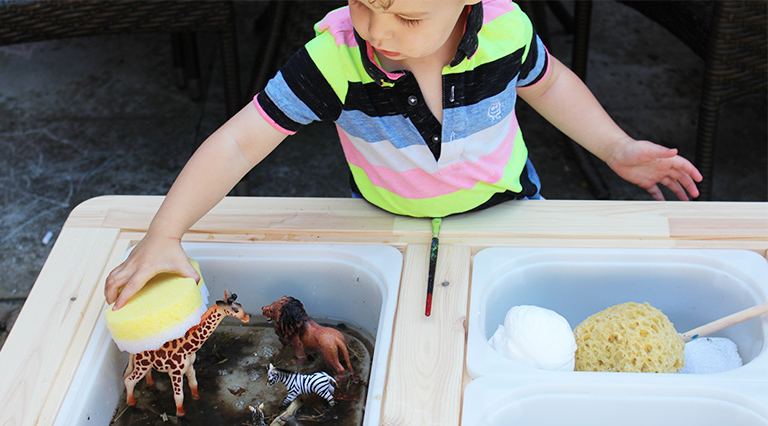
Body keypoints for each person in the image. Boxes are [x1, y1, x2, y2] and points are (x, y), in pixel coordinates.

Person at [105, 0, 702, 309]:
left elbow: (548, 84)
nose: (379, 33)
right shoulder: (335, 59)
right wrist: (166, 233)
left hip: (510, 205)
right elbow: (239, 139)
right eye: (365, 3)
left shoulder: (506, 32)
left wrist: (615, 146)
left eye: (409, 16)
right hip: (388, 222)